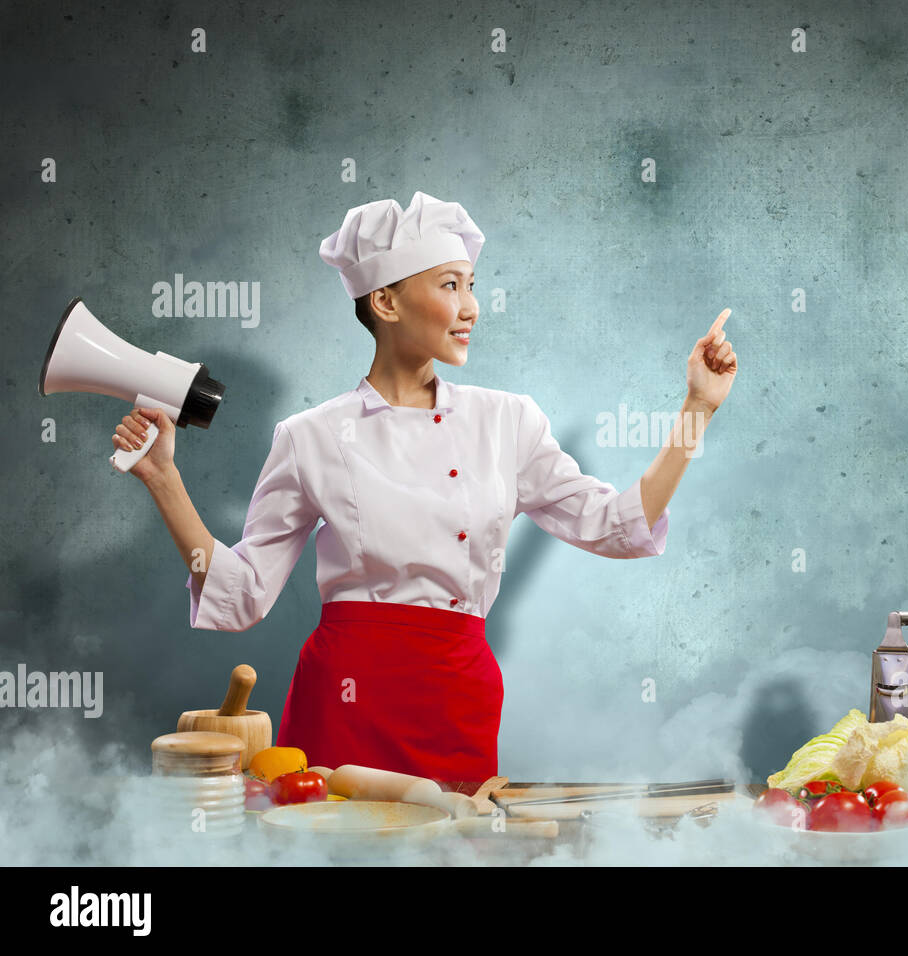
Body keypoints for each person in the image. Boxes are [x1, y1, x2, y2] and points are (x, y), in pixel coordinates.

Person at [114, 191, 738, 789]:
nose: (472, 307)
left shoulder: (508, 421)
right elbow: (244, 595)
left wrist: (695, 410)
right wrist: (164, 478)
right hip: (346, 697)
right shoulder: (310, 437)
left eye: (472, 286)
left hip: (456, 696)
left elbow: (615, 524)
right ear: (385, 302)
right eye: (450, 286)